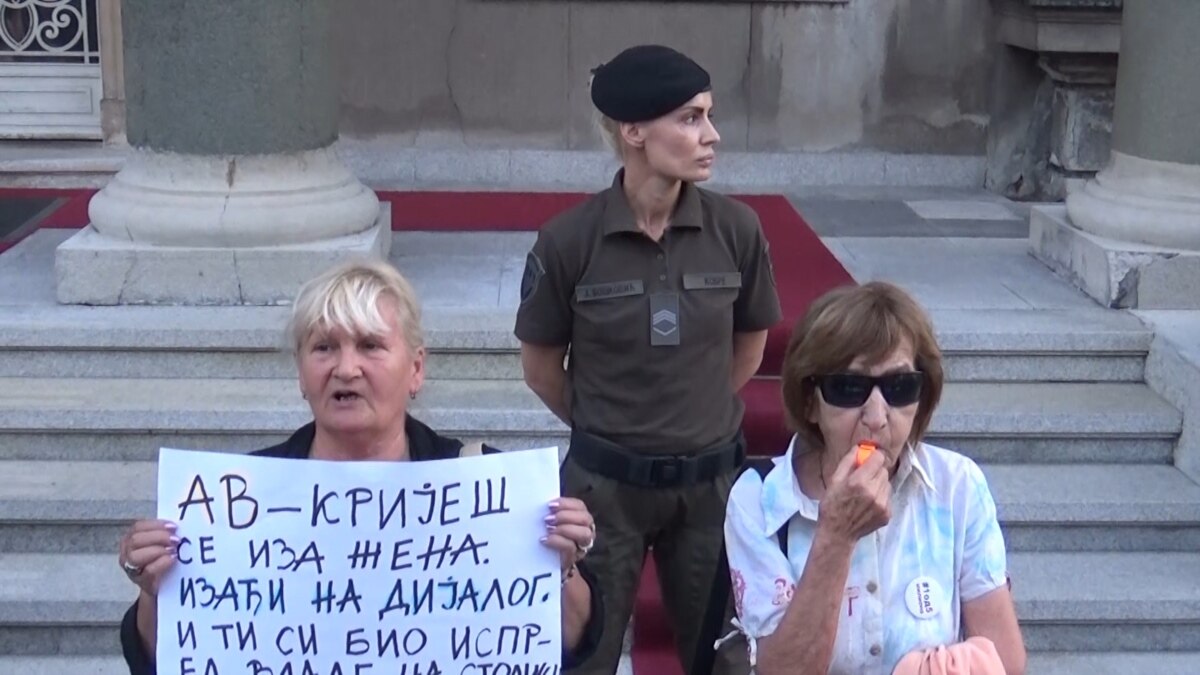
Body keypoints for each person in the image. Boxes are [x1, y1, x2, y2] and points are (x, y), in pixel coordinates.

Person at [117, 259, 605, 673]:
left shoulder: (488, 488)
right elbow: (161, 658)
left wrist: (560, 568)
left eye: (370, 346)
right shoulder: (236, 504)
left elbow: (574, 643)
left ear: (415, 368)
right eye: (324, 347)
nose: (346, 368)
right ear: (301, 373)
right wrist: (156, 589)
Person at [515, 44, 782, 674]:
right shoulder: (568, 240)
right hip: (604, 489)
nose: (711, 135)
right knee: (583, 654)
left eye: (709, 116)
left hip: (710, 487)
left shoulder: (737, 231)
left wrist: (694, 408)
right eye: (690, 119)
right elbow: (541, 366)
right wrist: (612, 422)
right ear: (634, 132)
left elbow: (751, 344)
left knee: (723, 660)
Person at [722, 282, 1026, 675]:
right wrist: (836, 536)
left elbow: (1005, 661)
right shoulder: (758, 500)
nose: (878, 416)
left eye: (900, 388)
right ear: (811, 401)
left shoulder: (957, 486)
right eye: (849, 388)